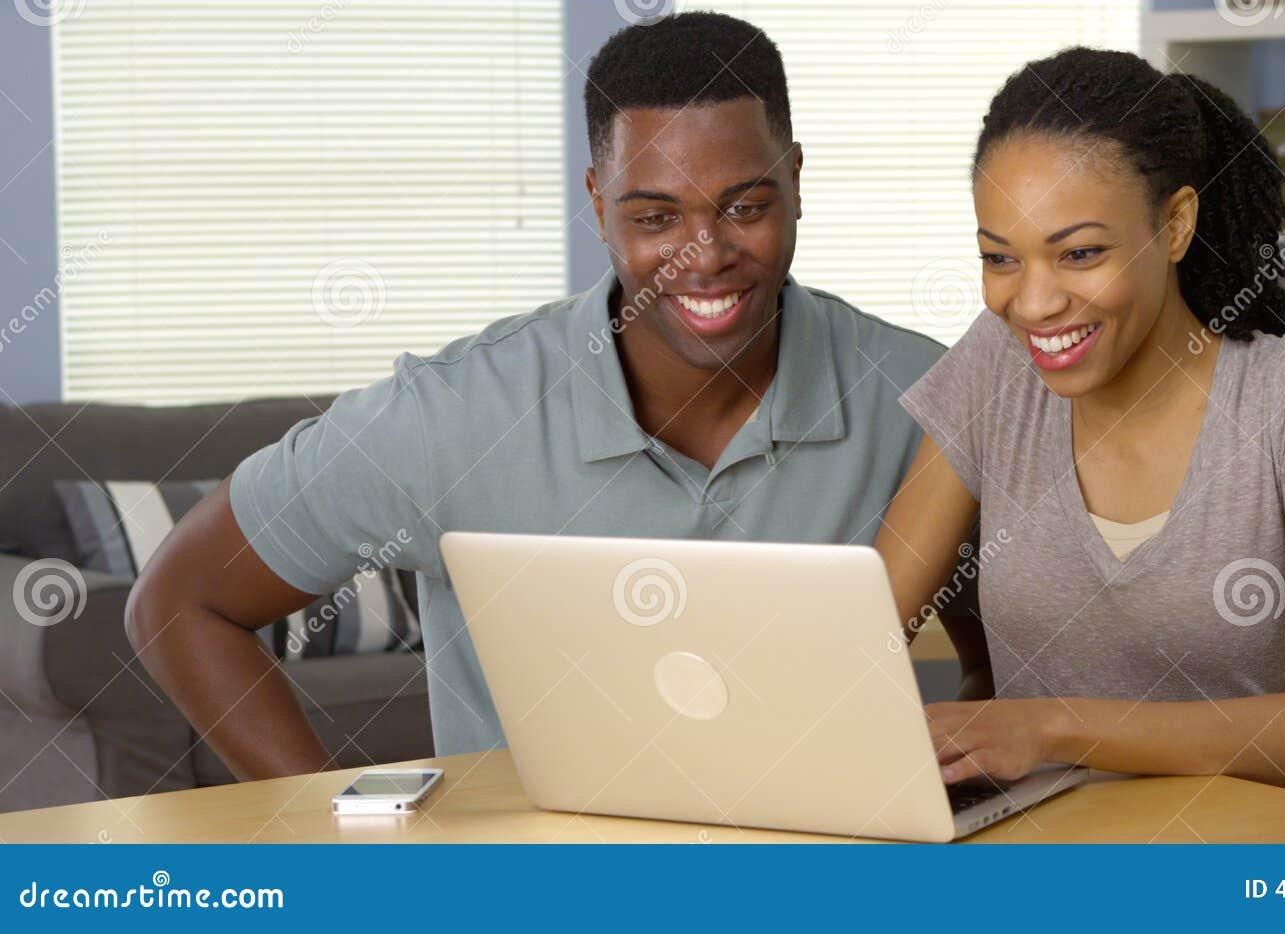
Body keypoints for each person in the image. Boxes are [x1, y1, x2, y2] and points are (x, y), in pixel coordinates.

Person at [126, 12, 971, 780]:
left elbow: (1004, 664)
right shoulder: (453, 415)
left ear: (794, 180)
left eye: (744, 206)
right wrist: (326, 834)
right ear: (599, 205)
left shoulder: (924, 396)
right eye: (655, 219)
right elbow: (178, 604)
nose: (704, 253)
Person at [876, 47, 1285, 801]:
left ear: (1177, 224)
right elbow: (864, 632)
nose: (1032, 305)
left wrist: (1051, 727)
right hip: (1045, 853)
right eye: (1000, 258)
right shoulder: (994, 368)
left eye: (1080, 253)